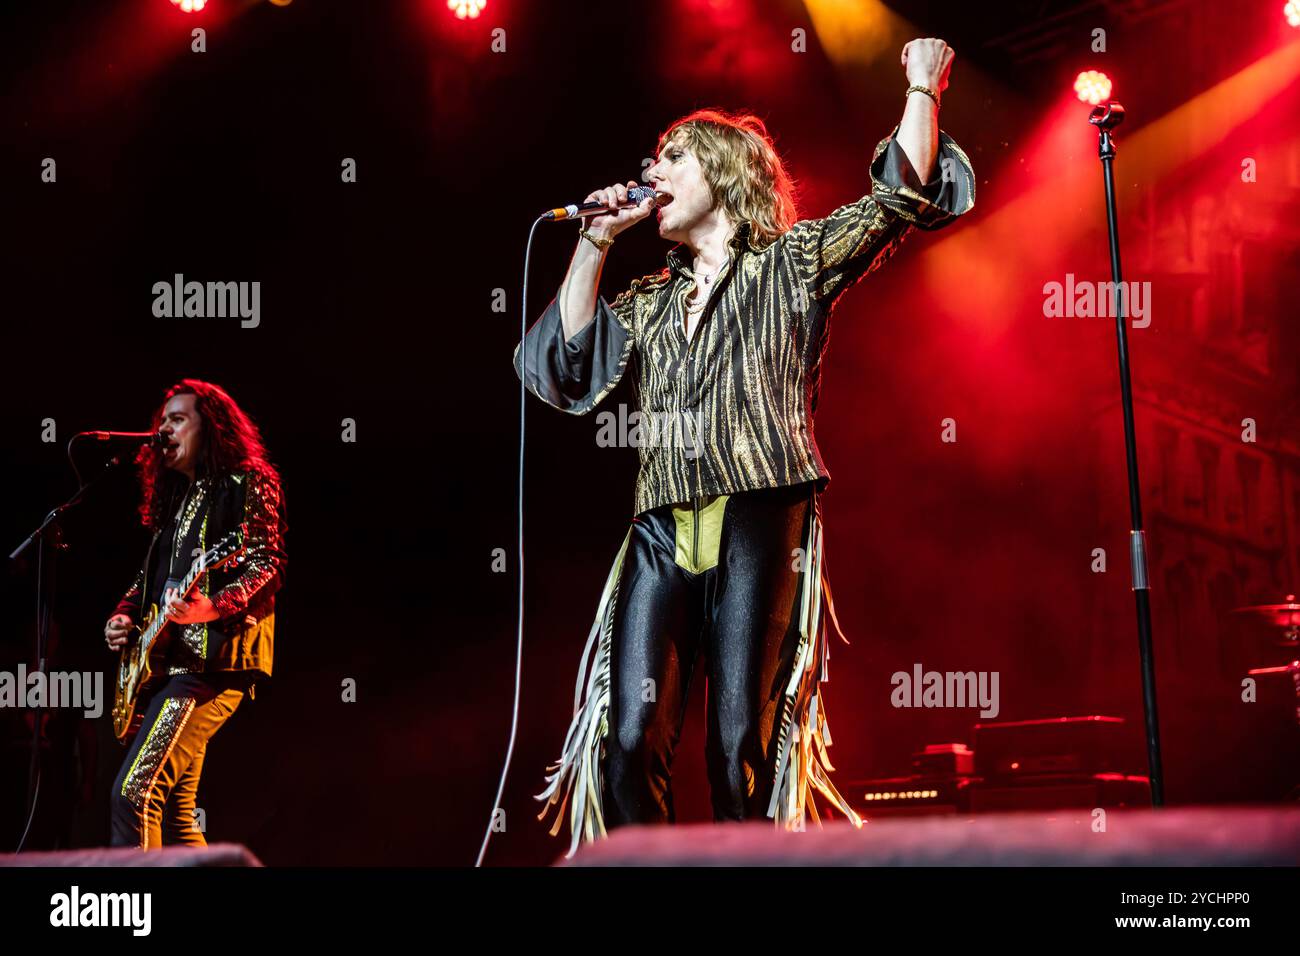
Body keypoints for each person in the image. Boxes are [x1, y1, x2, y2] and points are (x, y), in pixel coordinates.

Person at [515, 39, 974, 858]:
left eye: (673, 158)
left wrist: (919, 88)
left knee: (737, 746)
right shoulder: (650, 301)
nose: (654, 172)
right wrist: (594, 241)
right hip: (660, 528)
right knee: (628, 741)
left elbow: (897, 200)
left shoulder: (790, 266)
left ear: (724, 174)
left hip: (761, 510)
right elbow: (567, 368)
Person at [103, 379, 287, 850]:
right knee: (180, 821)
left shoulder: (248, 478)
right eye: (162, 421)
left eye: (178, 419)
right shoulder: (177, 500)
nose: (163, 429)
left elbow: (266, 562)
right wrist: (125, 616)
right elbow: (149, 583)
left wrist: (215, 605)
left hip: (215, 665)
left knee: (134, 793)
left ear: (212, 429)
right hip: (173, 665)